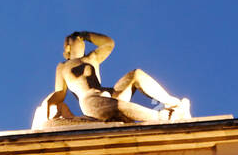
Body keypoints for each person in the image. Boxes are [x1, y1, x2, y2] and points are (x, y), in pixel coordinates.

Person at [41, 32, 191, 126]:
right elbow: (60, 92)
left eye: (81, 39)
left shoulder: (91, 58)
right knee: (119, 107)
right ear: (67, 46)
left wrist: (86, 35)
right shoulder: (63, 66)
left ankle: (173, 104)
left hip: (110, 93)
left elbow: (109, 43)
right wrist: (49, 104)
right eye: (76, 38)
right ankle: (161, 117)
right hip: (91, 100)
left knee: (136, 74)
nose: (80, 40)